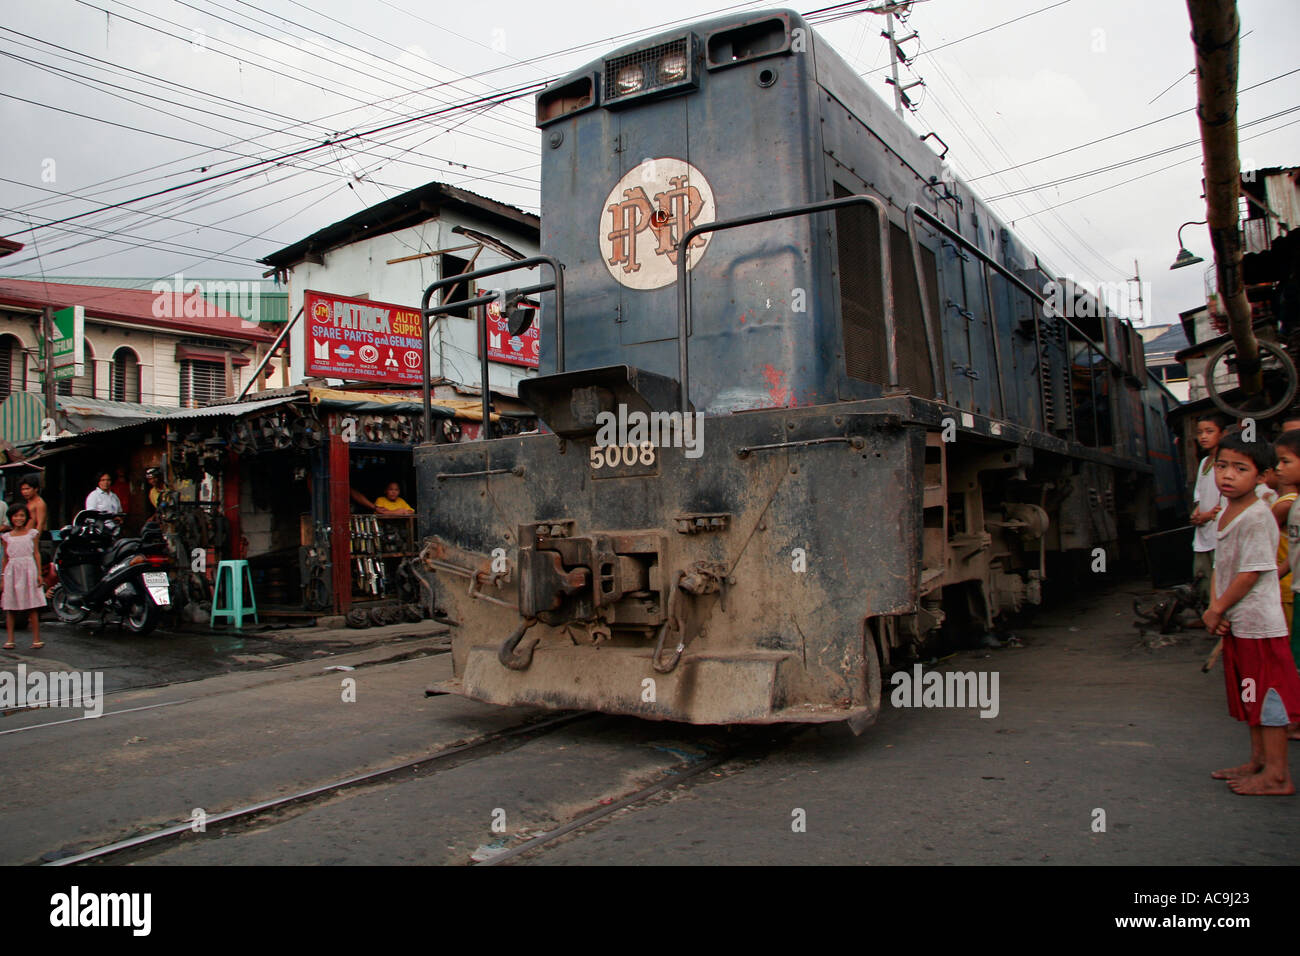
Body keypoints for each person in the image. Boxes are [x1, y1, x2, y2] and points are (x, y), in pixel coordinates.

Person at [1203, 430, 1300, 794]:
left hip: (1260, 625)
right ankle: (1258, 760)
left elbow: (1252, 571)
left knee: (1269, 698)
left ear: (1262, 477)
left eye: (1240, 469)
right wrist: (1216, 607)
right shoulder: (1226, 512)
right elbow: (1220, 566)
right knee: (1251, 695)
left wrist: (1218, 608)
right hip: (1238, 622)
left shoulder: (1258, 516)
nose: (1227, 475)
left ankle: (1277, 775)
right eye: (1222, 466)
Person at [1274, 429, 1300, 742]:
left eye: (1285, 461)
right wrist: (1275, 574)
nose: (1278, 468)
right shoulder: (1294, 505)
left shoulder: (1289, 505)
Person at [1190, 413, 1230, 605]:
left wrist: (1208, 515)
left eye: (1209, 431)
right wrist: (1197, 513)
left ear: (1222, 434)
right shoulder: (1203, 463)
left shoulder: (1225, 463)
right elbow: (1199, 494)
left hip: (1218, 528)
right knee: (1202, 575)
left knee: (1220, 576)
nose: (1203, 436)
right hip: (1203, 530)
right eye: (1200, 433)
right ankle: (1206, 613)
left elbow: (1226, 497)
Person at [2, 504, 45, 650]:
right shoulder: (6, 537)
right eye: (15, 516)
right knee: (10, 606)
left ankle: (36, 639)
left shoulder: (32, 534)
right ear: (11, 518)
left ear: (26, 517)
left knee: (32, 606)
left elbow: (36, 554)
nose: (19, 518)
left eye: (22, 515)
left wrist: (39, 574)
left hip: (29, 569)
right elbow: (5, 558)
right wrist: (2, 577)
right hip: (12, 571)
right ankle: (10, 639)